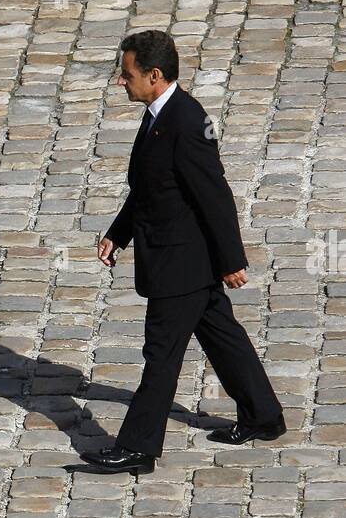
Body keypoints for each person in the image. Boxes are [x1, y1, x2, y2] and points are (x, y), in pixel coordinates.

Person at [84, 29, 285, 473]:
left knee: (161, 355)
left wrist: (232, 261)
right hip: (178, 259)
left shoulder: (186, 122)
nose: (122, 82)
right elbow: (150, 188)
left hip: (182, 263)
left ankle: (138, 448)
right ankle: (264, 416)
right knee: (222, 336)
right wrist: (118, 233)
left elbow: (214, 195)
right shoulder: (158, 114)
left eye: (128, 74)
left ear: (154, 75)